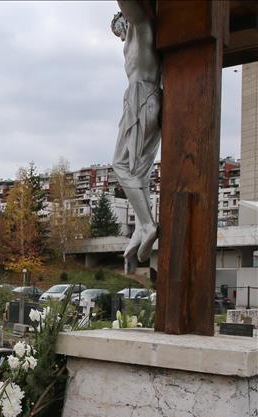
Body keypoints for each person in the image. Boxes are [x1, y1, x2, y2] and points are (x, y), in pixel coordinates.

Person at [111, 0, 162, 273]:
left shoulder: (142, 29)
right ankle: (143, 227)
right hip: (137, 99)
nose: (118, 32)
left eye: (119, 25)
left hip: (142, 98)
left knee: (121, 165)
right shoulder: (129, 44)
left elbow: (134, 10)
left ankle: (146, 225)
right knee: (137, 171)